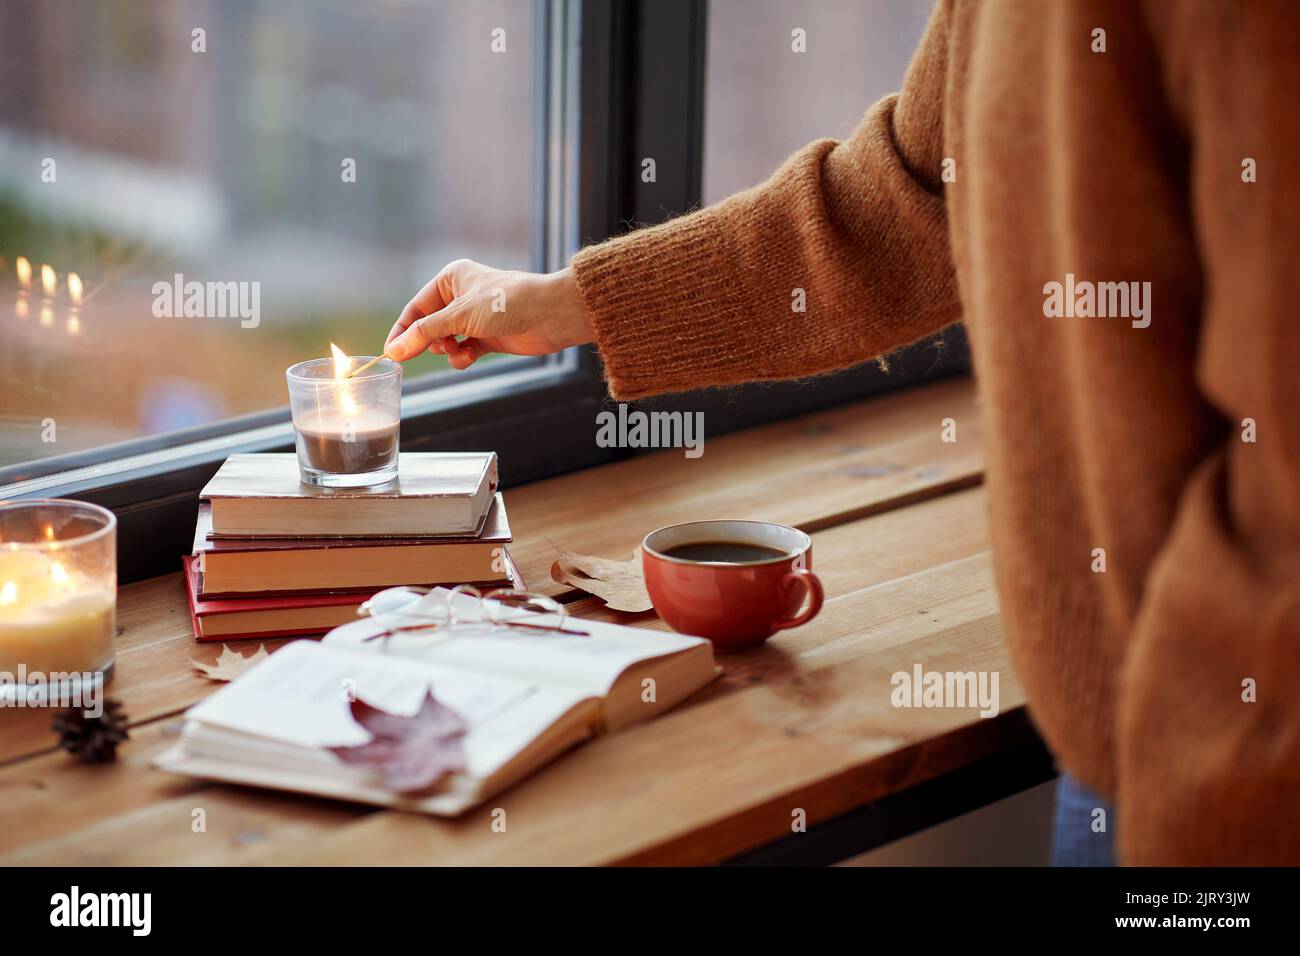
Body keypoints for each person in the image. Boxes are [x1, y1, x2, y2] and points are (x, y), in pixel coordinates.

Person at [383, 0, 1299, 865]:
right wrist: (570, 304)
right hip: (1131, 750)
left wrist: (1214, 768)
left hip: (1229, 776)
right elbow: (904, 203)